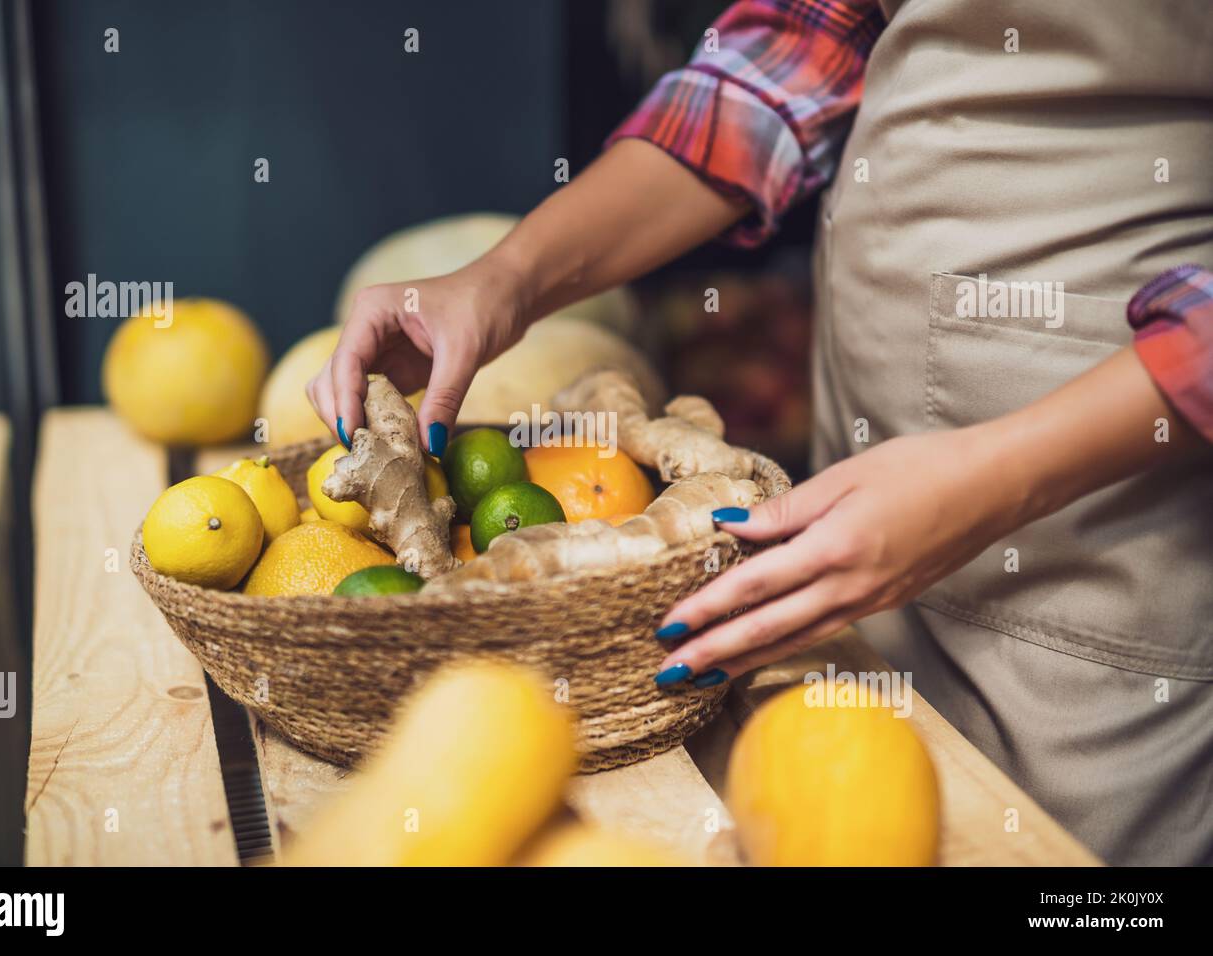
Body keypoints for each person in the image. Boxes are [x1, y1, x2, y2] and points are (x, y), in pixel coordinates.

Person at [308, 0, 1212, 865]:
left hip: (1106, 522)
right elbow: (781, 65)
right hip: (866, 500)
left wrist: (995, 478)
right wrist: (506, 279)